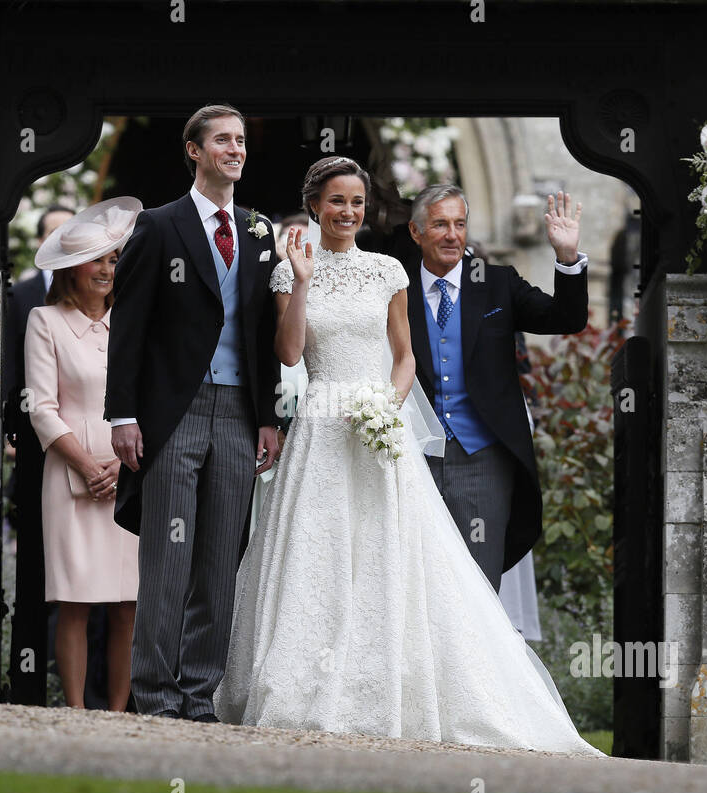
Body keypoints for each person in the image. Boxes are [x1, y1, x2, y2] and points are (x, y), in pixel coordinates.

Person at [215, 156, 603, 756]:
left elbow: (415, 355)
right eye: (337, 201)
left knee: (432, 577)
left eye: (358, 202)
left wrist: (384, 409)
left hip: (421, 444)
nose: (348, 212)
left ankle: (430, 693)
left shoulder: (442, 278)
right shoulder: (321, 271)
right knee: (326, 561)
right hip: (327, 432)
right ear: (317, 204)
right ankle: (321, 689)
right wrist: (302, 277)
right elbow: (290, 354)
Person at [104, 104, 282, 722]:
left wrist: (269, 417)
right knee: (167, 559)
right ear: (194, 151)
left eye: (240, 139)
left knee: (219, 559)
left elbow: (263, 336)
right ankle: (153, 696)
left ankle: (199, 695)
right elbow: (127, 327)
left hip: (239, 412)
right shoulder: (158, 227)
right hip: (172, 414)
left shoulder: (259, 233)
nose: (235, 149)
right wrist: (122, 414)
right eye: (222, 141)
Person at [405, 184, 590, 593]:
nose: (453, 235)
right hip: (412, 459)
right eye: (440, 225)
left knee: (477, 590)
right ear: (416, 232)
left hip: (482, 462)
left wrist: (566, 256)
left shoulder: (496, 283)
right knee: (415, 587)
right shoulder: (394, 288)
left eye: (460, 224)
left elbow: (567, 317)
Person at [26, 196, 143, 710]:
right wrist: (87, 463)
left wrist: (120, 464)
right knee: (74, 601)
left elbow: (151, 400)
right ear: (71, 269)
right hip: (70, 476)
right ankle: (74, 712)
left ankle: (118, 715)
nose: (106, 269)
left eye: (113, 259)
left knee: (128, 603)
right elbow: (41, 408)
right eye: (96, 260)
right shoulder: (44, 321)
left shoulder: (134, 321)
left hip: (131, 470)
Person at [2, 205, 73, 706]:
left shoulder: (105, 291)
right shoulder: (21, 294)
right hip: (33, 443)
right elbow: (8, 367)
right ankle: (26, 685)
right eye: (57, 231)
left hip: (89, 440)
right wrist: (11, 426)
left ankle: (86, 688)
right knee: (34, 568)